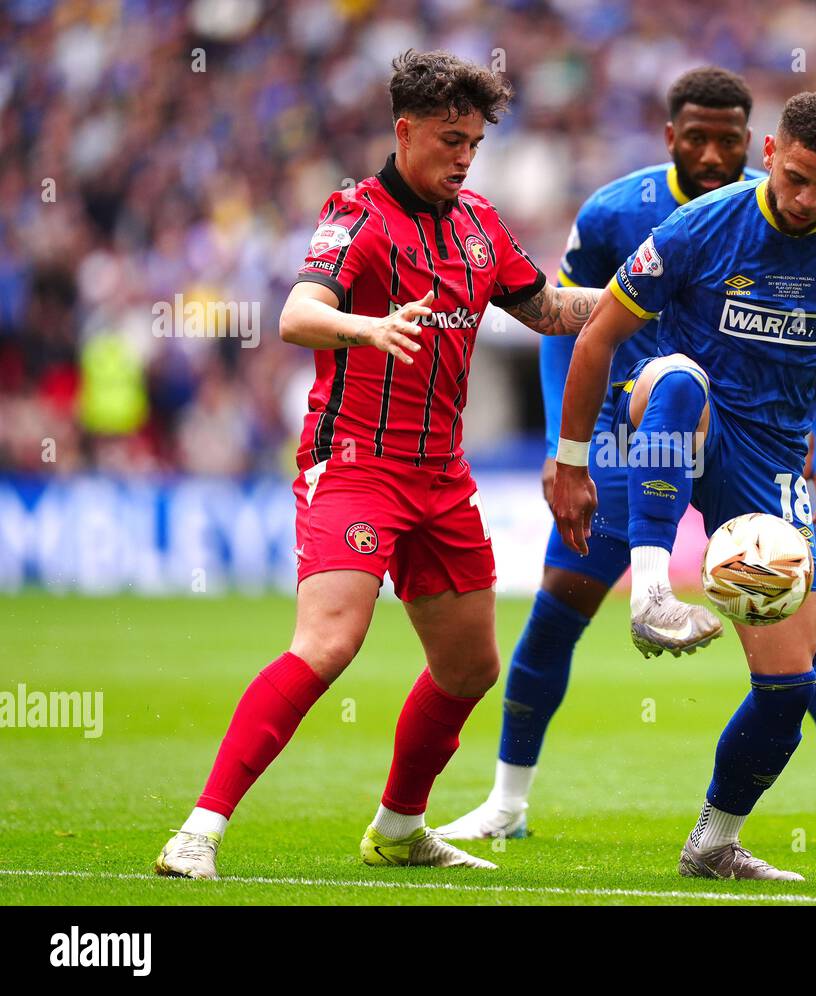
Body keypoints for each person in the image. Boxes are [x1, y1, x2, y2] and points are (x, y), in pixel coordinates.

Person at [153, 50, 602, 880]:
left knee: (470, 667)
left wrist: (631, 301)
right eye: (449, 138)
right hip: (356, 464)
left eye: (474, 141)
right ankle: (198, 832)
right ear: (405, 132)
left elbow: (543, 308)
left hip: (442, 474)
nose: (464, 156)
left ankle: (399, 828)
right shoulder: (354, 216)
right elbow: (296, 314)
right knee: (328, 644)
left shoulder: (478, 223)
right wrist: (367, 328)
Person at [437, 69, 816, 854]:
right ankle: (505, 800)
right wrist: (565, 450)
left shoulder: (799, 212)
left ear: (752, 137)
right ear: (670, 136)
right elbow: (566, 330)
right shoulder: (617, 213)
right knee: (557, 612)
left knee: (801, 615)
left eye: (728, 138)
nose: (714, 153)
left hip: (751, 441)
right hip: (633, 434)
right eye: (698, 136)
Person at [551, 92, 816, 880]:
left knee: (788, 688)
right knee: (680, 379)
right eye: (799, 179)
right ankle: (650, 592)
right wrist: (572, 460)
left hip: (772, 461)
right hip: (681, 407)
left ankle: (714, 841)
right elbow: (598, 337)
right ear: (772, 152)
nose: (809, 200)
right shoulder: (700, 227)